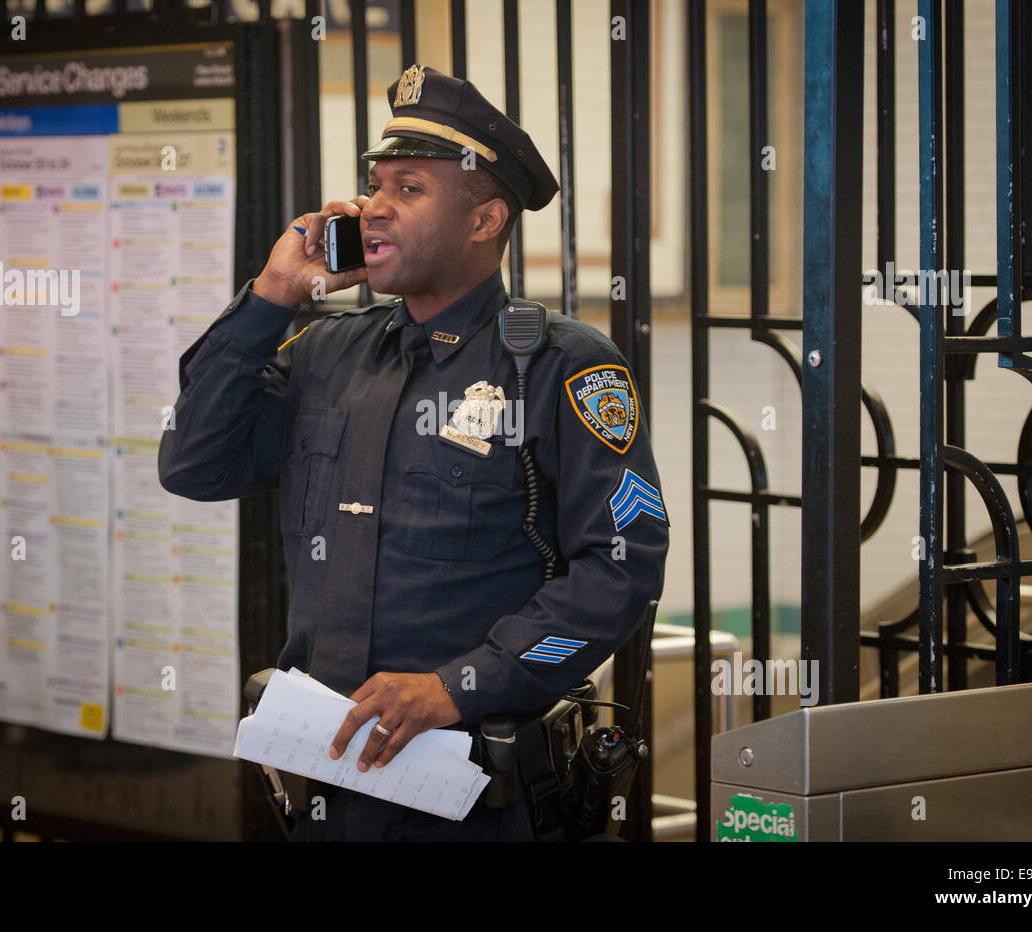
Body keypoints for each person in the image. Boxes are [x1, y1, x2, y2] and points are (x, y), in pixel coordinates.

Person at [159, 64, 669, 841]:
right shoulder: (324, 351)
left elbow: (623, 565)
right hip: (324, 792)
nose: (373, 208)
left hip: (477, 799)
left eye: (408, 188)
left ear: (484, 219)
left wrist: (459, 685)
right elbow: (193, 463)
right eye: (372, 185)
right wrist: (270, 294)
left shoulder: (561, 365)